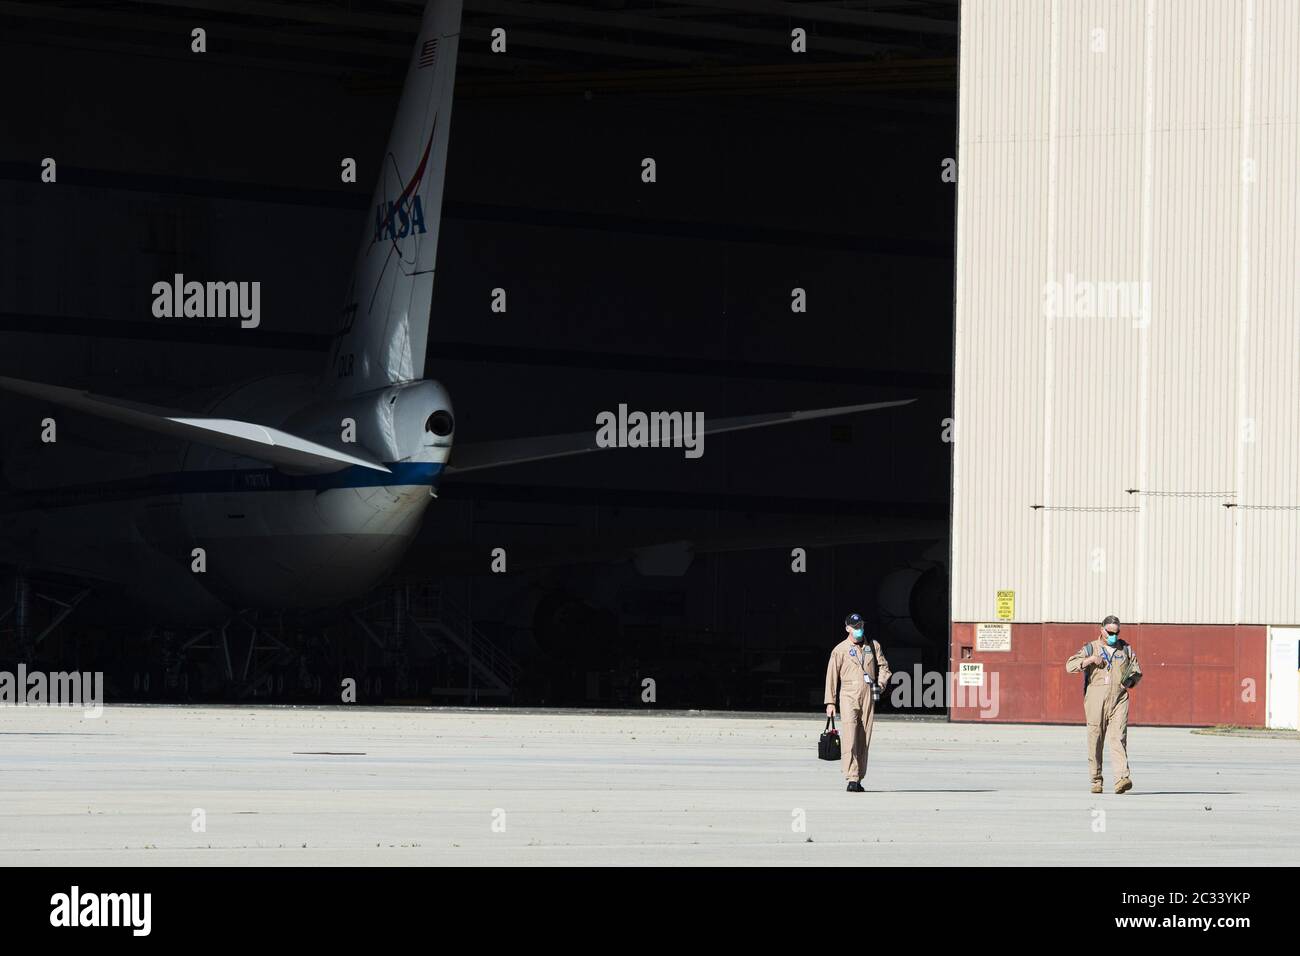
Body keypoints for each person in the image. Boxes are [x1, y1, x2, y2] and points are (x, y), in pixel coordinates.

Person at [1065, 614, 1142, 794]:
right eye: (1110, 632)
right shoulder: (1091, 648)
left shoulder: (1126, 649)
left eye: (1117, 632)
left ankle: (1122, 778)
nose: (1114, 636)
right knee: (1096, 739)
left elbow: (1137, 670)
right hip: (1095, 700)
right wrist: (1090, 660)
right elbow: (1069, 666)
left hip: (1119, 699)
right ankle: (1096, 779)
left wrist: (1130, 681)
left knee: (1118, 737)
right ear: (1102, 630)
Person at [824, 612, 892, 792]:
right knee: (850, 734)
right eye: (855, 627)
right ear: (847, 629)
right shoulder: (840, 650)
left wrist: (881, 684)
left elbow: (884, 667)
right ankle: (851, 777)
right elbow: (831, 677)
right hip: (848, 694)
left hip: (868, 694)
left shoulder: (873, 646)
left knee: (864, 736)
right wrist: (830, 702)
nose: (859, 630)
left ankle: (859, 776)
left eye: (861, 626)